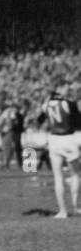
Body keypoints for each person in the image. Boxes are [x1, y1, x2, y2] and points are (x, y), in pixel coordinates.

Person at [41, 86, 80, 218]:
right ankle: (75, 207)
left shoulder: (46, 104)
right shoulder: (69, 103)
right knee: (75, 175)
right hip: (69, 139)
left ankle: (62, 211)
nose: (68, 90)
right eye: (66, 88)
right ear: (60, 91)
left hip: (54, 139)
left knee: (58, 177)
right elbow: (78, 122)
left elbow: (39, 119)